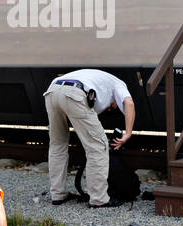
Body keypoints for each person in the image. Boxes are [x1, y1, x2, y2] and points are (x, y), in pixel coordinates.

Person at [44, 68, 135, 207]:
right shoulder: (119, 84)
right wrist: (128, 133)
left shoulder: (98, 79)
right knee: (98, 147)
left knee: (57, 145)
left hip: (52, 91)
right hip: (75, 93)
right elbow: (129, 103)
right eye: (113, 107)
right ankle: (99, 199)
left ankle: (58, 194)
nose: (110, 109)